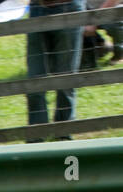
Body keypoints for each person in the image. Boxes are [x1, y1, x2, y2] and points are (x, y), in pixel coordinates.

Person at [26, 0, 85, 138]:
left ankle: (63, 134)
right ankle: (37, 136)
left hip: (69, 7)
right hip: (37, 8)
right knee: (34, 80)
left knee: (66, 80)